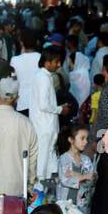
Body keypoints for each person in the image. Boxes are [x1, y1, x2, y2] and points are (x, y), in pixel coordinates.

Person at [28, 45, 66, 182]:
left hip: (45, 124)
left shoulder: (44, 76)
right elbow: (44, 105)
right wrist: (60, 109)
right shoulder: (43, 78)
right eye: (56, 62)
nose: (59, 65)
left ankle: (44, 185)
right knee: (42, 161)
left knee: (46, 157)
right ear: (47, 61)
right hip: (44, 125)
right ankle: (40, 188)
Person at [57, 124, 96, 212]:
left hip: (82, 204)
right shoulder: (64, 158)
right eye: (82, 138)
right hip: (66, 205)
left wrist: (76, 175)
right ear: (71, 140)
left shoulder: (86, 159)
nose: (86, 142)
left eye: (86, 139)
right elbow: (65, 180)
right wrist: (84, 176)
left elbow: (93, 178)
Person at [11, 31, 41, 112]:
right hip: (39, 102)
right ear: (36, 42)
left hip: (22, 102)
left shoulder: (14, 60)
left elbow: (13, 80)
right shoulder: (41, 58)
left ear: (21, 43)